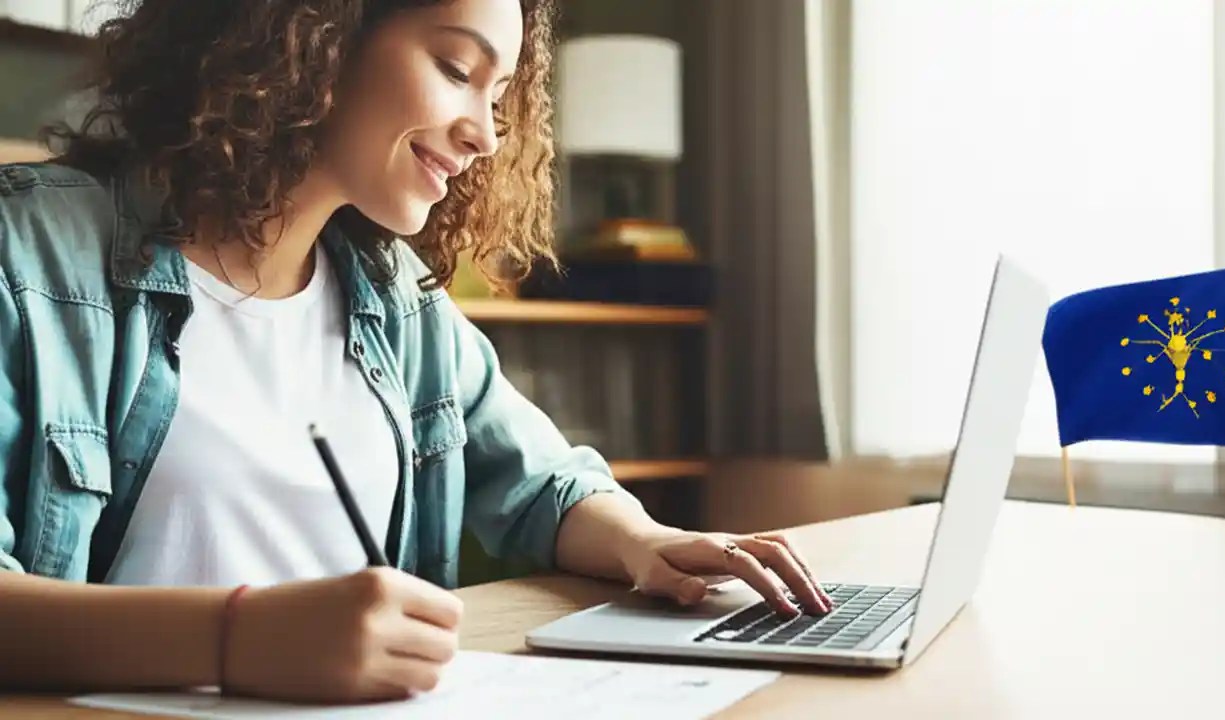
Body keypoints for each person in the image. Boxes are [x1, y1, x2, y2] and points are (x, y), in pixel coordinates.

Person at [0, 0, 833, 703]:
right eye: (455, 68)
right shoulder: (27, 258)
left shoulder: (394, 299)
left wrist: (641, 541)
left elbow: (541, 482)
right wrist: (236, 639)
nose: (487, 137)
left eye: (501, 95)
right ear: (314, 35)